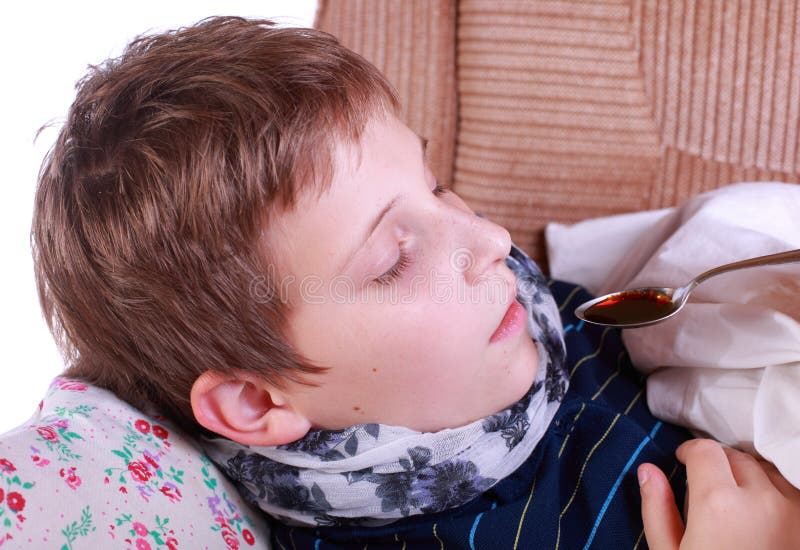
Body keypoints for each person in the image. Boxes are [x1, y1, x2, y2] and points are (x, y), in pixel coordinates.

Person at [31, 16, 800, 549]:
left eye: (436, 188)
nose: (491, 240)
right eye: (393, 261)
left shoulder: (524, 318)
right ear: (258, 399)